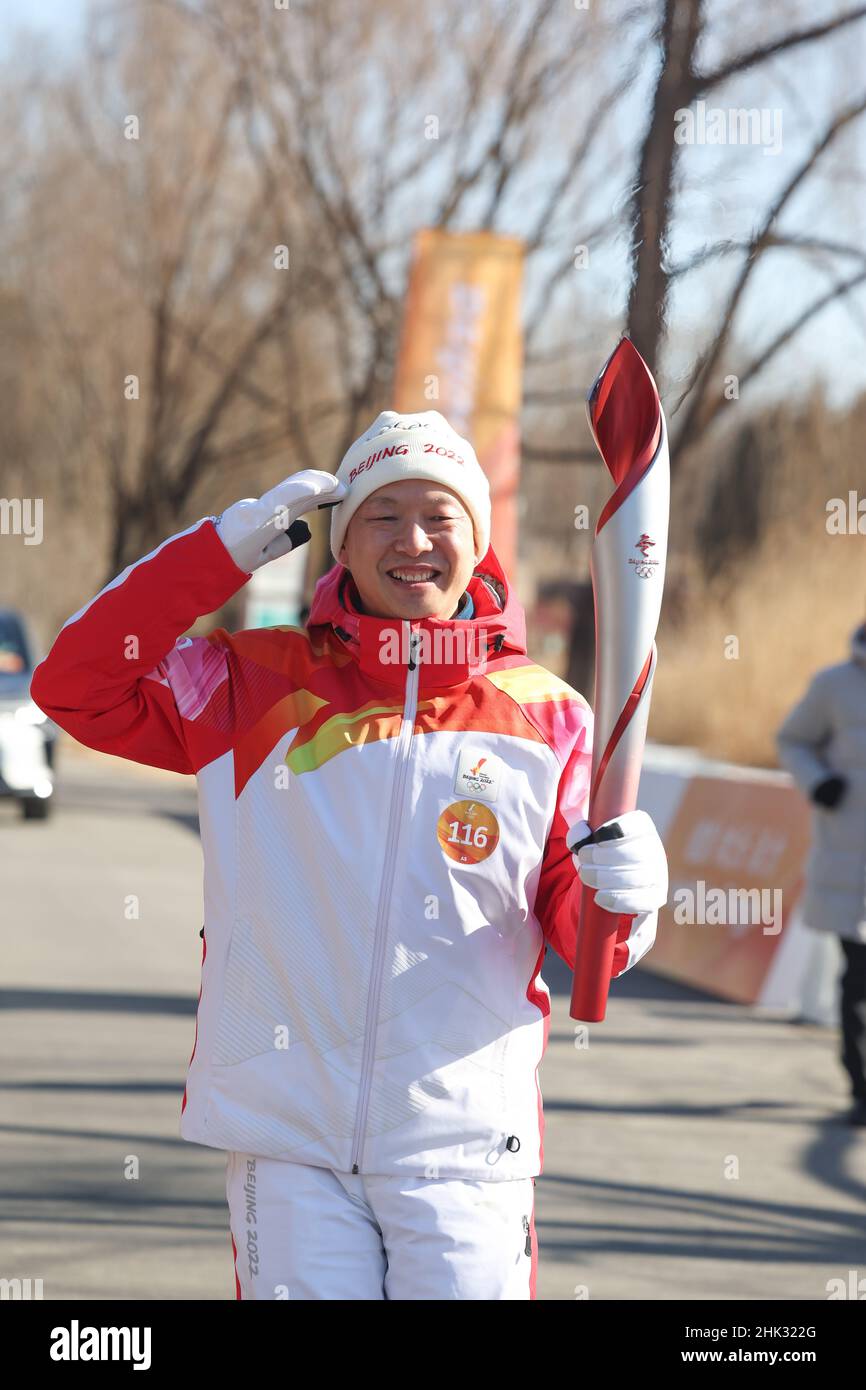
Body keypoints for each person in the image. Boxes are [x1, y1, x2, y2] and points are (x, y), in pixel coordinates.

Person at [30, 409, 669, 1300]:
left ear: (475, 541)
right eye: (382, 514)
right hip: (288, 1142)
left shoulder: (549, 714)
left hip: (464, 1149)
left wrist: (626, 901)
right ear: (342, 544)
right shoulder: (246, 682)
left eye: (440, 516)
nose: (413, 540)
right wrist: (213, 557)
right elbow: (73, 685)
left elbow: (575, 923)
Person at [776, 620, 866, 1128]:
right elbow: (793, 740)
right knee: (860, 979)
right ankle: (861, 1087)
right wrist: (819, 782)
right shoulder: (834, 685)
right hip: (851, 860)